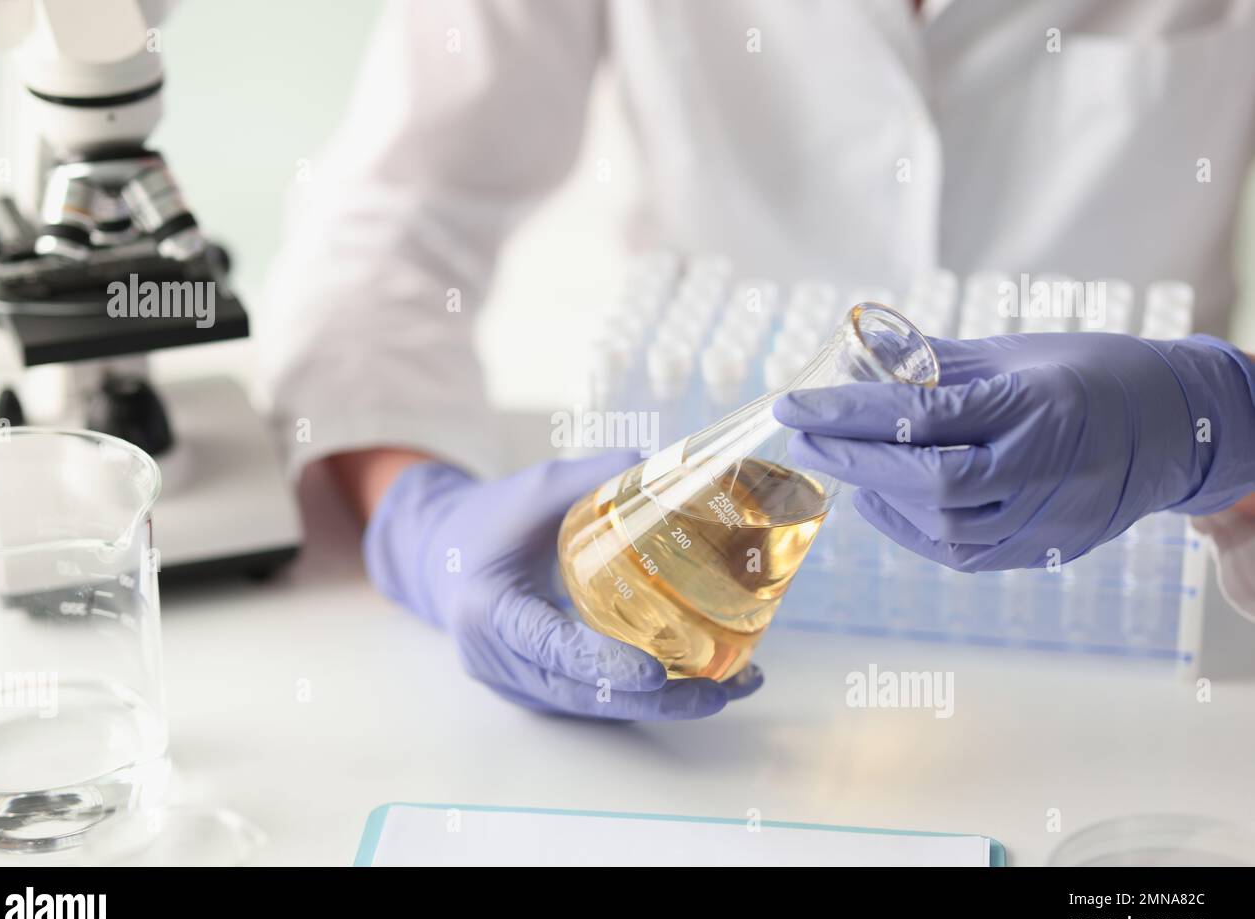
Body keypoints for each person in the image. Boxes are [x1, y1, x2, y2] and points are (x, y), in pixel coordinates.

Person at [260, 0, 1255, 721]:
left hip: (1155, 619)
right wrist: (417, 515)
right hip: (726, 602)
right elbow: (403, 210)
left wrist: (1220, 428)